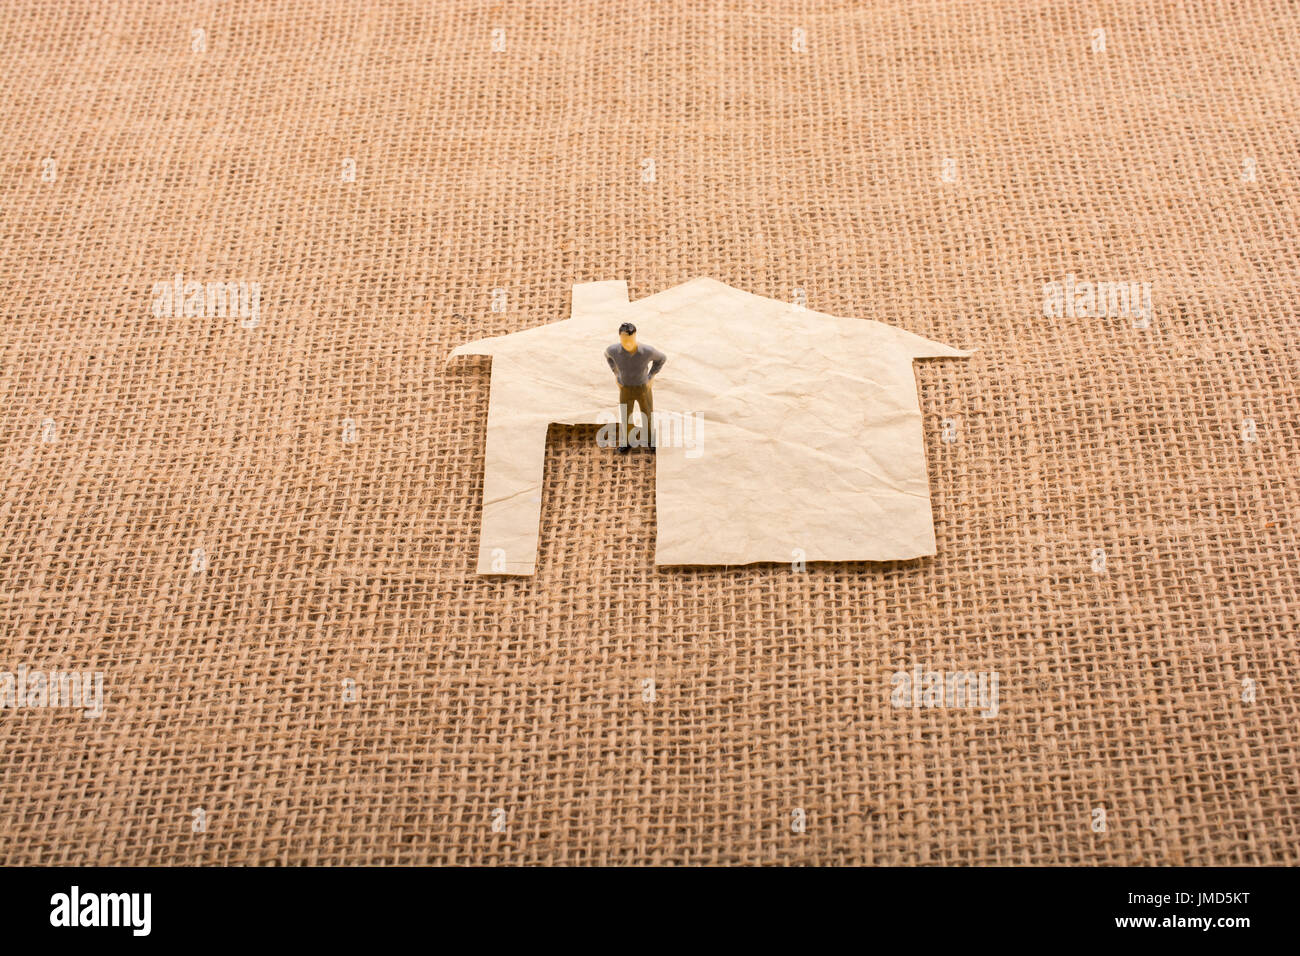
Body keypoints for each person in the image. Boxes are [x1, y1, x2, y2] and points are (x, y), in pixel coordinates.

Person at [604, 322, 666, 454]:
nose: (627, 343)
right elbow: (607, 356)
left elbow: (661, 359)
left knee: (647, 414)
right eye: (624, 340)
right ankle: (627, 441)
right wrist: (616, 373)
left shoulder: (647, 351)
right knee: (626, 415)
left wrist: (651, 376)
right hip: (625, 388)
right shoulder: (613, 350)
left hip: (643, 388)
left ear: (635, 336)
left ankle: (650, 440)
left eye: (630, 340)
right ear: (620, 337)